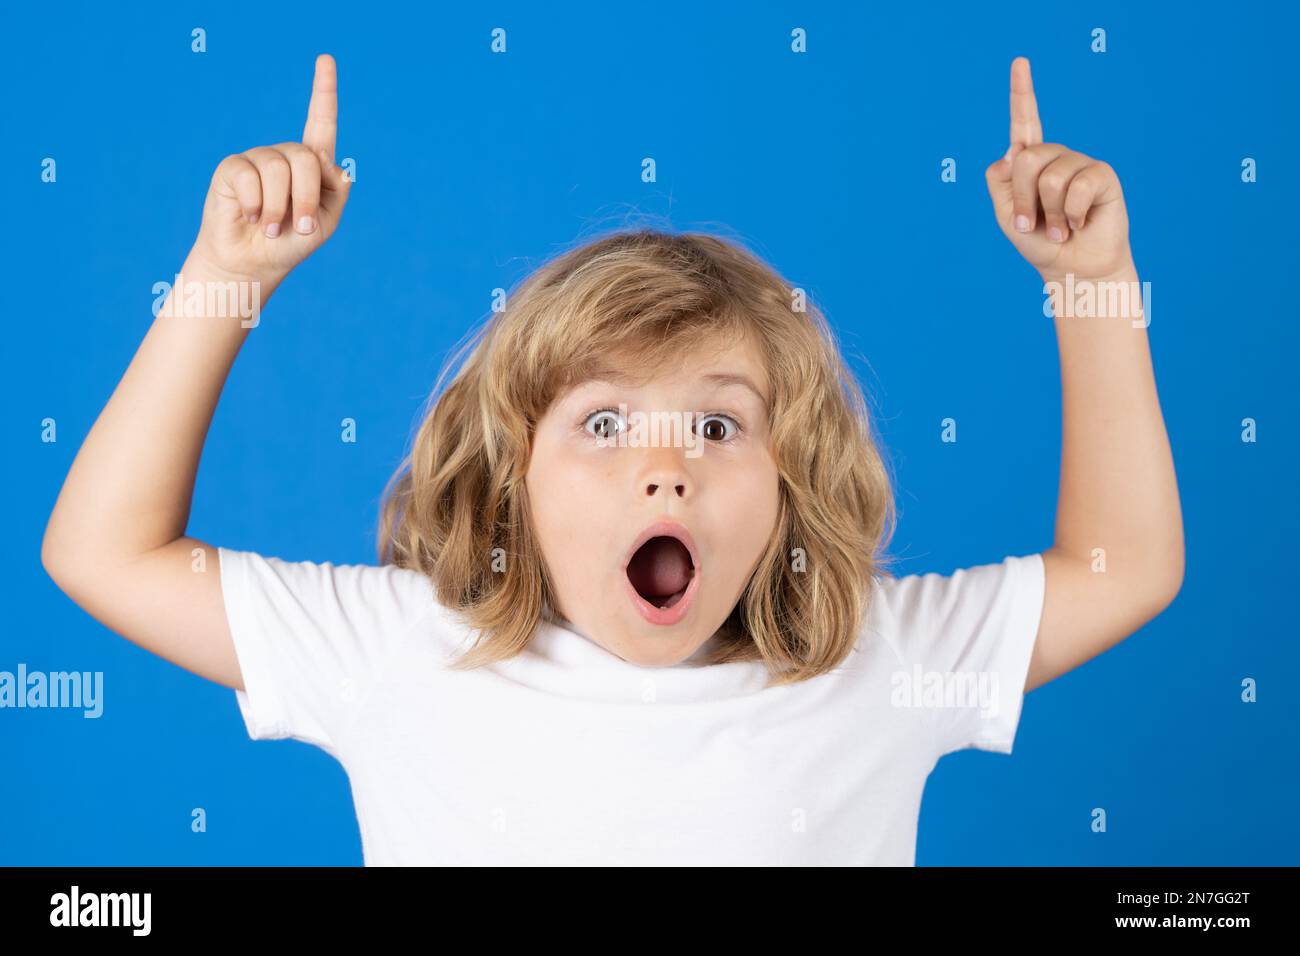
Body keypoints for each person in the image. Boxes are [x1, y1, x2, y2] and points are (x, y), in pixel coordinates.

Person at [41, 54, 1183, 865]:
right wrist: (224, 274)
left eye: (719, 424)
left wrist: (1091, 285)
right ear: (509, 482)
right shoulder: (396, 648)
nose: (665, 469)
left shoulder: (880, 660)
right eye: (601, 423)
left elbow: (1122, 563)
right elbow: (105, 550)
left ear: (789, 489)